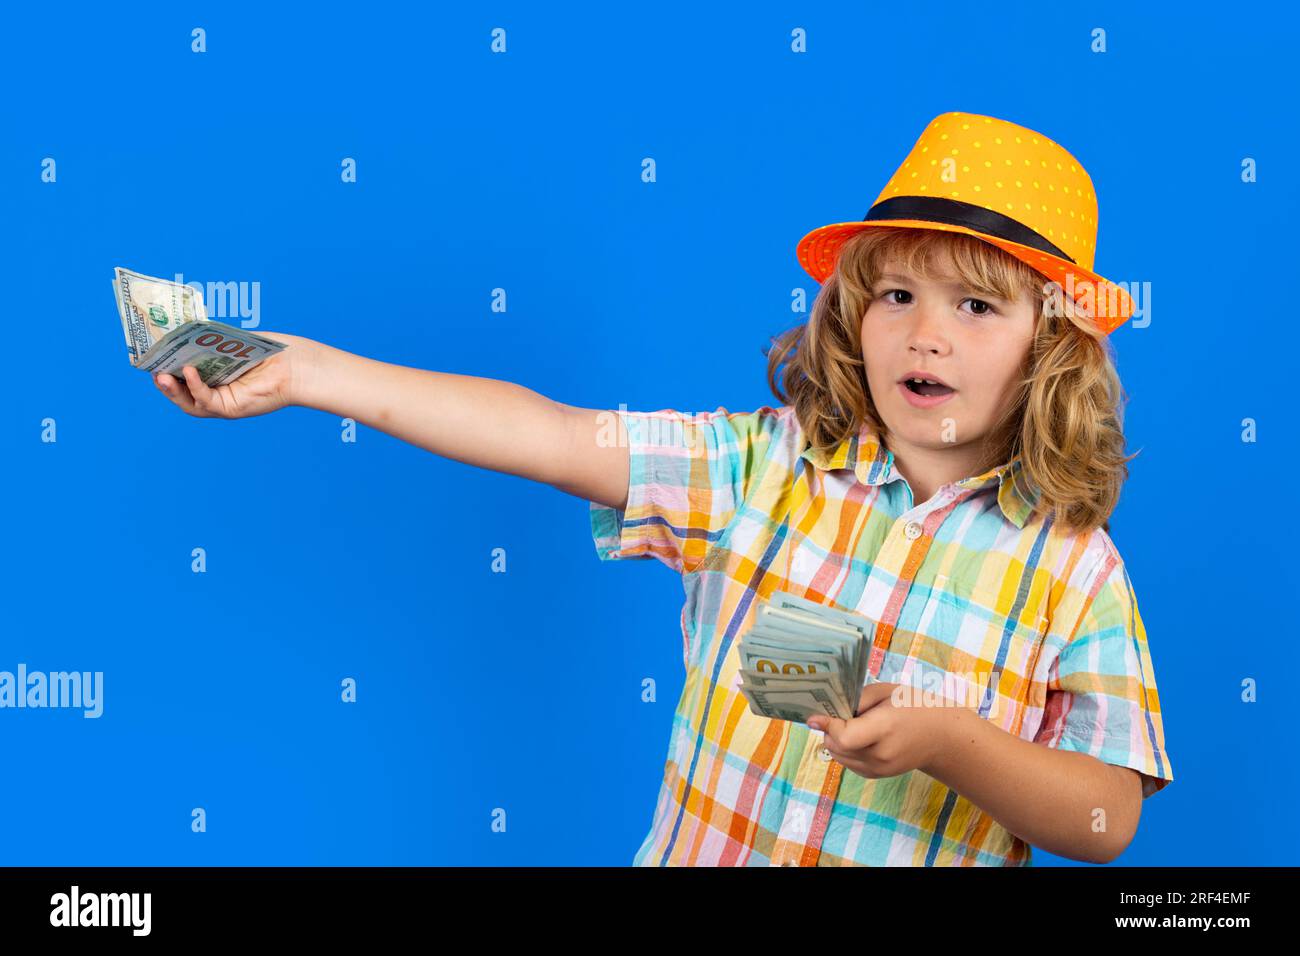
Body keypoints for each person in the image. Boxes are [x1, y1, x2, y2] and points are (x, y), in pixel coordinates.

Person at [153, 111, 1172, 867]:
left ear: (1051, 349)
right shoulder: (755, 468)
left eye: (977, 303)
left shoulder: (1075, 568)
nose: (926, 331)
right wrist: (307, 370)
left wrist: (948, 740)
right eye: (896, 293)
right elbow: (545, 432)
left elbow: (1104, 817)